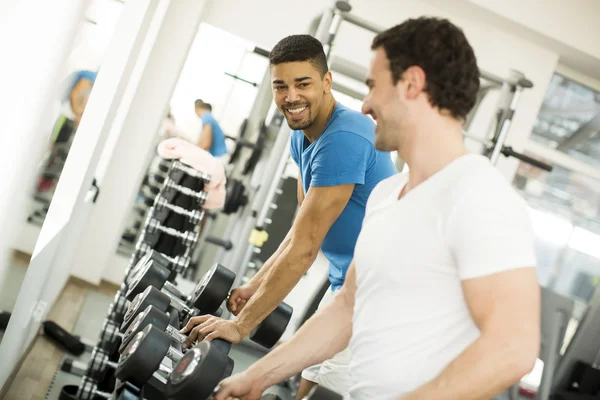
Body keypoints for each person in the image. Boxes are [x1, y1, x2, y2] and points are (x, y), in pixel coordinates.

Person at [213, 17, 540, 400]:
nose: (366, 104)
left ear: (412, 85)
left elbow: (513, 350)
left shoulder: (480, 195)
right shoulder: (388, 195)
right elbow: (347, 307)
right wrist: (257, 377)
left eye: (373, 87)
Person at [180, 35, 397, 397]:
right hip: (349, 284)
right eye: (280, 86)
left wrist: (239, 326)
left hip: (383, 295)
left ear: (326, 83)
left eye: (303, 84)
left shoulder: (347, 135)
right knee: (308, 385)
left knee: (321, 392)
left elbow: (305, 248)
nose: (291, 97)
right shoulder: (301, 135)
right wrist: (255, 286)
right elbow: (301, 230)